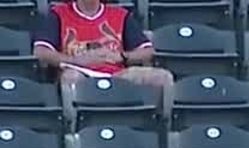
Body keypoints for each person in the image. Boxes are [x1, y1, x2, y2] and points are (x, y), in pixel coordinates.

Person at [31, 0, 174, 95]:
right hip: (80, 73)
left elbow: (147, 51)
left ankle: (157, 124)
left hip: (118, 73)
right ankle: (75, 125)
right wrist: (75, 60)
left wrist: (122, 56)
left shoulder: (120, 14)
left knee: (162, 77)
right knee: (70, 77)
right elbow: (41, 51)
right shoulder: (58, 14)